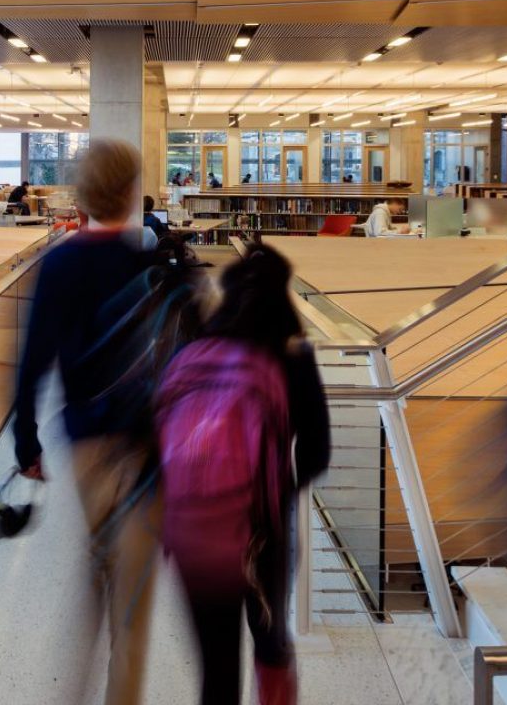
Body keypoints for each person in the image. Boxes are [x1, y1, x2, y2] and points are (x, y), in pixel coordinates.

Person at [14, 140, 188, 705]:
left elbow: (34, 358)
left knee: (100, 561)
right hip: (148, 444)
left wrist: (26, 442)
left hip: (88, 442)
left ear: (83, 194)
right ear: (131, 193)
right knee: (133, 607)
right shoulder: (151, 258)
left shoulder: (60, 264)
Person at [156, 243, 329, 705]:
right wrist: (277, 489)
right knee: (271, 646)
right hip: (262, 537)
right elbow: (317, 453)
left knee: (217, 671)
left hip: (194, 533)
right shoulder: (294, 354)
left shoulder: (195, 350)